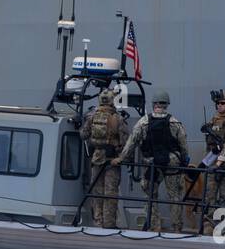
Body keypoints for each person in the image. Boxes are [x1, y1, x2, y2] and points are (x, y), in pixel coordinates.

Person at [115, 90, 195, 233]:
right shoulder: (174, 122)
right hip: (171, 163)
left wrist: (121, 158)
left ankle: (154, 225)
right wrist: (184, 160)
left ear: (154, 104)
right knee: (174, 196)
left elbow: (131, 142)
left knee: (150, 194)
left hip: (152, 163)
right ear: (167, 105)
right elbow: (183, 144)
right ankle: (177, 228)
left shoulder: (143, 122)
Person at [80, 87, 130, 228]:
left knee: (97, 192)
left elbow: (83, 135)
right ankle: (109, 225)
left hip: (97, 159)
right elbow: (126, 143)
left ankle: (98, 222)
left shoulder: (92, 116)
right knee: (110, 193)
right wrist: (120, 158)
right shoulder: (118, 119)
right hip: (112, 160)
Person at [200, 88, 225, 163]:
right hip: (211, 156)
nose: (219, 105)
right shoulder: (215, 118)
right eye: (217, 103)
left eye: (223, 103)